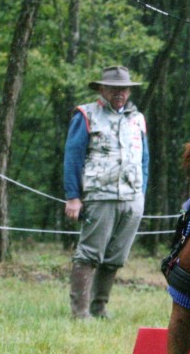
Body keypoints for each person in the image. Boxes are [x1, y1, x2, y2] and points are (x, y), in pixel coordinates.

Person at [63, 66, 149, 320]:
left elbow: (144, 159)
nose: (119, 93)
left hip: (132, 198)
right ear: (102, 89)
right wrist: (73, 196)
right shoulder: (86, 115)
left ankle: (99, 307)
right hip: (99, 195)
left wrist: (141, 194)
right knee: (89, 254)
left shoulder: (137, 118)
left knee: (116, 256)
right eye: (113, 88)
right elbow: (73, 157)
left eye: (123, 89)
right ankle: (80, 312)